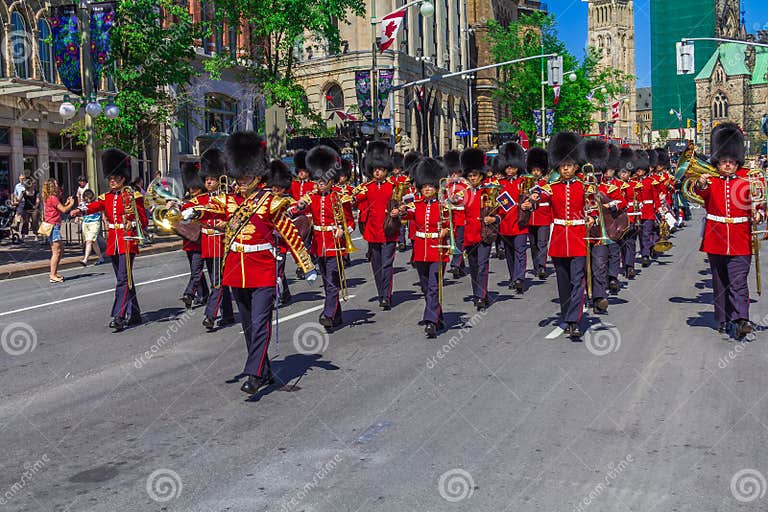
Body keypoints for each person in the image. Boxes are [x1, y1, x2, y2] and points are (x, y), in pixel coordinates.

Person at [219, 131, 316, 395]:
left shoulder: (270, 202)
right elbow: (210, 209)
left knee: (260, 323)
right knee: (249, 326)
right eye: (238, 177)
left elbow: (289, 232)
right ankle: (265, 370)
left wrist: (305, 264)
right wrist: (191, 212)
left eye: (246, 176)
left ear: (257, 174)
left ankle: (254, 374)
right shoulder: (230, 201)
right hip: (237, 271)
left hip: (263, 270)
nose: (240, 182)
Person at [694, 123, 763, 337]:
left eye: (731, 161)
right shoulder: (711, 180)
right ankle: (723, 318)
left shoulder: (748, 178)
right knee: (720, 281)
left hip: (741, 238)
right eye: (723, 161)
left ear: (737, 161)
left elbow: (758, 200)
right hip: (716, 237)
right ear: (718, 161)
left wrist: (759, 212)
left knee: (738, 281)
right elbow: (699, 193)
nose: (727, 165)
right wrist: (701, 183)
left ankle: (741, 319)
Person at [72, 148, 148, 331]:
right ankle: (135, 313)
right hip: (114, 242)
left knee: (122, 279)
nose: (111, 181)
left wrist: (133, 224)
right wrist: (80, 210)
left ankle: (119, 316)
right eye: (110, 178)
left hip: (128, 240)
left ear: (123, 178)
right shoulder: (106, 197)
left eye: (115, 178)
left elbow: (143, 219)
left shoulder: (132, 196)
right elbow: (95, 206)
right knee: (125, 279)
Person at [292, 146, 355, 331]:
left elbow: (350, 222)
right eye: (317, 179)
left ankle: (327, 314)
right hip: (319, 243)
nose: (320, 183)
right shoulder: (311, 196)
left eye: (324, 180)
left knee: (332, 280)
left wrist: (343, 231)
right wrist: (294, 207)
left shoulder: (340, 197)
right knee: (327, 280)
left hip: (335, 243)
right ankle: (337, 315)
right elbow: (300, 207)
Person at [540, 132, 592, 337]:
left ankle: (574, 320)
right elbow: (540, 196)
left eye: (569, 165)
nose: (565, 169)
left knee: (577, 281)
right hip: (560, 239)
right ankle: (566, 314)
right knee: (563, 283)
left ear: (576, 166)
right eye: (562, 165)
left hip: (579, 237)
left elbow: (593, 206)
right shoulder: (551, 187)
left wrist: (592, 218)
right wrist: (531, 201)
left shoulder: (585, 185)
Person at [400, 158, 449, 338]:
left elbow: (456, 221)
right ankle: (439, 317)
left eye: (431, 185)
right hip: (421, 250)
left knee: (434, 286)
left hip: (438, 249)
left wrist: (446, 228)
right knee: (425, 287)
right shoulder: (417, 205)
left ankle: (430, 321)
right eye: (424, 186)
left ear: (437, 187)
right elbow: (408, 213)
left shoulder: (444, 205)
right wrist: (399, 212)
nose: (427, 189)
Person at [354, 141, 399, 310]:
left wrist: (398, 212)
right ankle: (381, 292)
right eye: (375, 169)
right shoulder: (366, 188)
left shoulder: (393, 187)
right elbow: (353, 200)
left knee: (387, 264)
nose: (377, 171)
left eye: (380, 169)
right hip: (372, 232)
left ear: (386, 170)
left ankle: (386, 295)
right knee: (377, 266)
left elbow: (404, 204)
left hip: (389, 231)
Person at [496, 142, 532, 294]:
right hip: (505, 224)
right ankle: (513, 277)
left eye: (512, 167)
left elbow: (534, 198)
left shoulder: (524, 182)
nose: (510, 170)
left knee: (520, 252)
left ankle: (519, 278)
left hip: (520, 223)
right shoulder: (499, 184)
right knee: (510, 254)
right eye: (507, 167)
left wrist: (530, 204)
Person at [461, 148, 495, 311]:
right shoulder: (464, 193)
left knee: (482, 265)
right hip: (469, 234)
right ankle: (480, 293)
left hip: (484, 233)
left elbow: (502, 210)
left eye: (475, 175)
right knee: (474, 267)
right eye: (470, 175)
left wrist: (493, 218)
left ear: (481, 175)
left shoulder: (489, 191)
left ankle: (481, 296)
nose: (472, 178)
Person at [179, 162, 210, 309]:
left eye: (194, 186)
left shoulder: (206, 200)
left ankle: (189, 293)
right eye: (190, 187)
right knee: (194, 269)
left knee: (197, 270)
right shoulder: (187, 202)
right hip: (189, 241)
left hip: (201, 240)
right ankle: (204, 295)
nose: (191, 190)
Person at [42, 178, 74, 283]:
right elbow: (64, 210)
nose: (57, 185)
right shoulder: (53, 198)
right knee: (56, 252)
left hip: (51, 226)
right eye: (56, 184)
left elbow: (59, 208)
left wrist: (66, 203)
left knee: (61, 249)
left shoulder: (48, 198)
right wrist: (71, 204)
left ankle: (54, 272)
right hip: (53, 226)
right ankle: (52, 275)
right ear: (52, 187)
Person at [526, 147, 551, 280]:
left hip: (543, 216)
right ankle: (536, 266)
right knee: (534, 244)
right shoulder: (527, 183)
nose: (535, 172)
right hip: (530, 217)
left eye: (538, 170)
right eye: (533, 170)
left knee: (542, 242)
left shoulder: (547, 183)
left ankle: (542, 266)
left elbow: (548, 197)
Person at [444, 150, 467, 278]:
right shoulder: (447, 185)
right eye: (452, 173)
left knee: (459, 241)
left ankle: (455, 264)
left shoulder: (465, 185)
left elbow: (467, 200)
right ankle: (461, 266)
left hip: (461, 217)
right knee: (454, 242)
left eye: (456, 173)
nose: (454, 175)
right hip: (451, 217)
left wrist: (456, 200)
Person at [80, 189, 105, 266]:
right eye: (85, 197)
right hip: (85, 223)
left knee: (89, 241)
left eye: (88, 197)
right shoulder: (82, 204)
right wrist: (78, 217)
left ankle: (85, 259)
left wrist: (105, 222)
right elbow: (80, 213)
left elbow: (102, 213)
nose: (87, 198)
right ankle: (101, 258)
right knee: (94, 242)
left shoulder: (96, 204)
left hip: (94, 223)